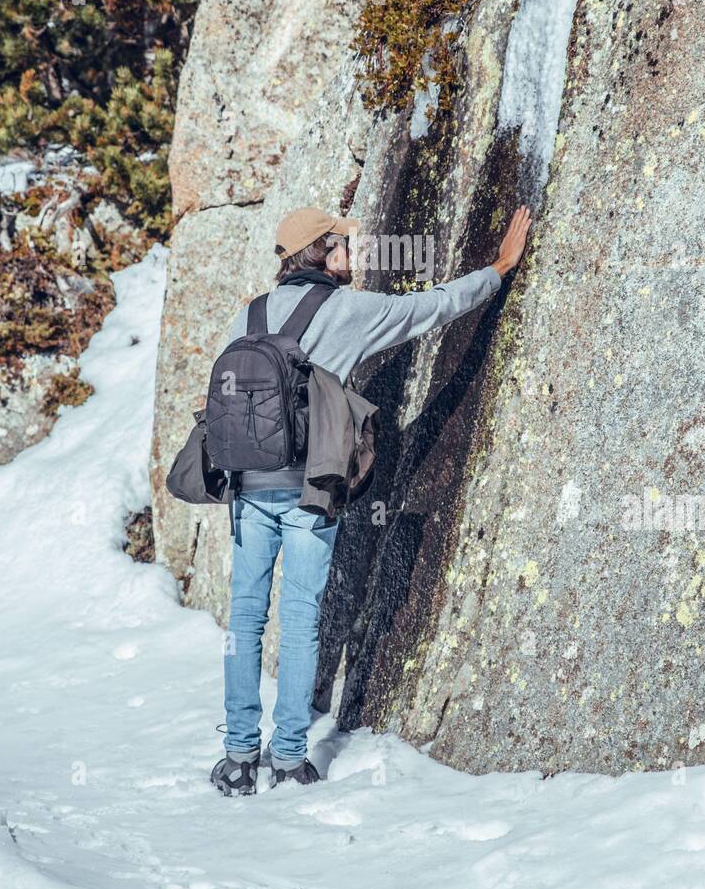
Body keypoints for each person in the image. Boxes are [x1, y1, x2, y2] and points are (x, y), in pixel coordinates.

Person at [211, 203, 532, 795]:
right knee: (302, 618)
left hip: (247, 491)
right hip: (310, 488)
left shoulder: (248, 316)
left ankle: (237, 756)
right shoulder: (347, 310)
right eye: (343, 246)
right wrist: (498, 268)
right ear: (322, 254)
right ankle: (286, 757)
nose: (351, 255)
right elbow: (430, 308)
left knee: (246, 620)